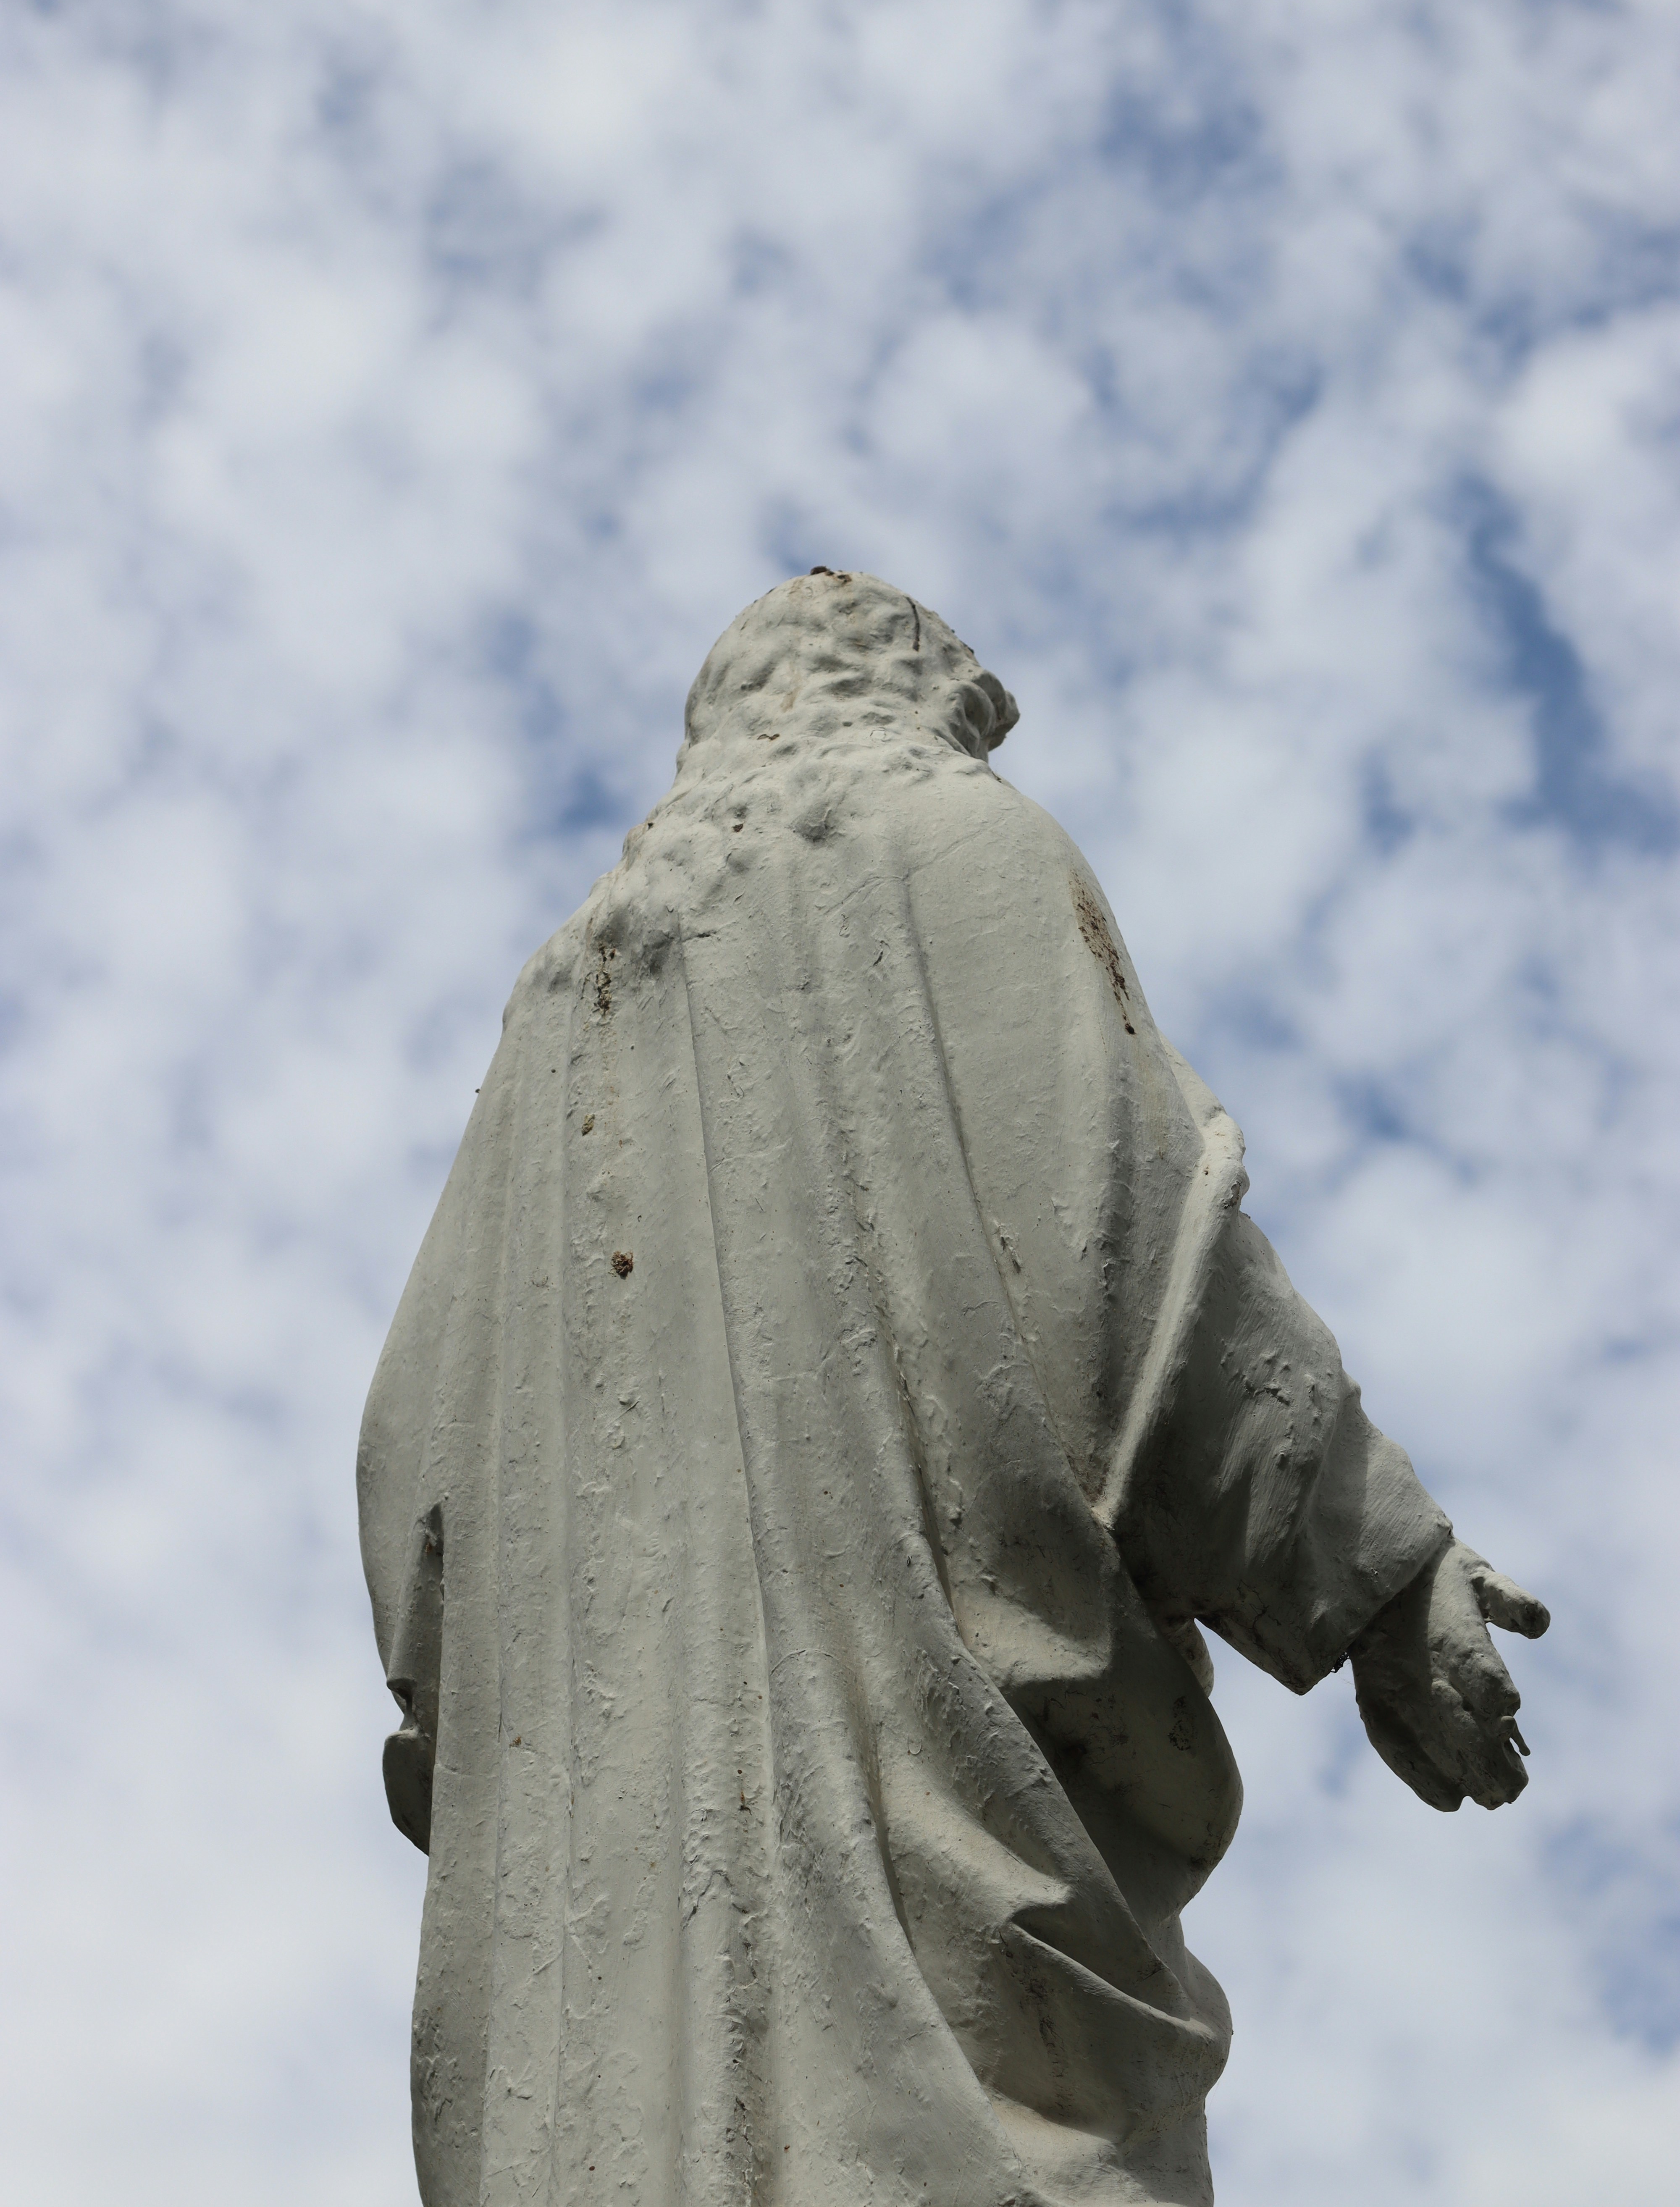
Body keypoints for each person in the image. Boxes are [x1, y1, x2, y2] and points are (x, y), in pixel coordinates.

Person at [360, 568, 1547, 2207]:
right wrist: (1372, 1563)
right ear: (907, 690)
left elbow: (420, 1465)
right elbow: (1122, 1241)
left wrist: (467, 1730)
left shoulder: (565, 996)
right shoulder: (951, 838)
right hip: (926, 1790)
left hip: (592, 1908)